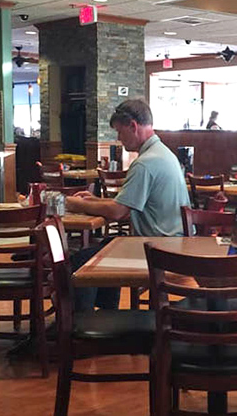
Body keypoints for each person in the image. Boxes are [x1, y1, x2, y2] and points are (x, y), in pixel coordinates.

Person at [66, 98, 190, 309]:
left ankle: (80, 324)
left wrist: (76, 205)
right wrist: (94, 200)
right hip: (174, 243)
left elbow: (118, 212)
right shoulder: (162, 153)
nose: (118, 138)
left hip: (159, 248)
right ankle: (106, 315)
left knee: (82, 261)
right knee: (104, 248)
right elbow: (127, 205)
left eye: (120, 132)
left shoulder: (145, 163)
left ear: (133, 126)